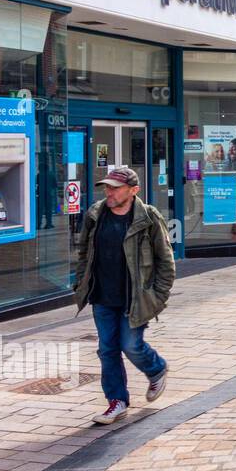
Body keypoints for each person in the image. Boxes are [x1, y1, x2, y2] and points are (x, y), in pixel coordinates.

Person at [73, 166, 174, 426]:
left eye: (115, 188)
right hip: (102, 296)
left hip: (135, 298)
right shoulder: (95, 215)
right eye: (107, 187)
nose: (109, 192)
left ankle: (156, 368)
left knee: (131, 345)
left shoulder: (148, 218)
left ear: (133, 190)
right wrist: (81, 282)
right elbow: (84, 252)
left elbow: (166, 261)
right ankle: (116, 402)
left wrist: (157, 296)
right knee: (107, 350)